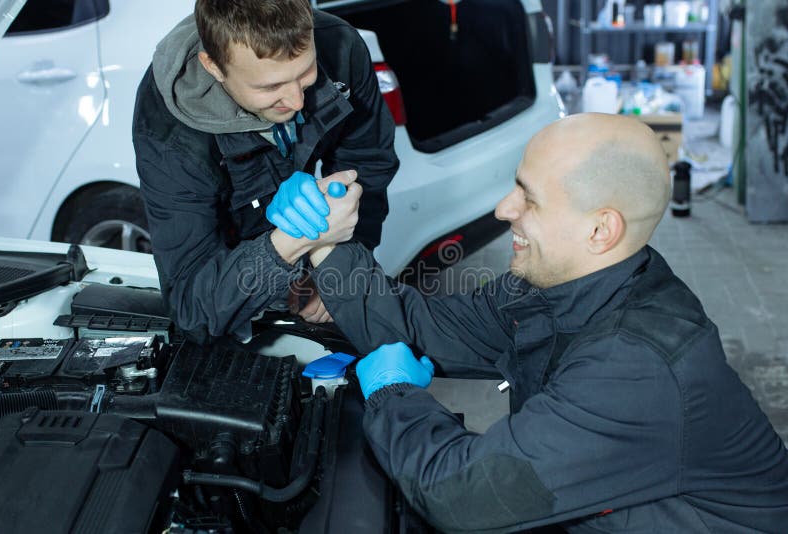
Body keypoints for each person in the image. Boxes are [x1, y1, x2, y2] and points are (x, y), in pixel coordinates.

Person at [304, 114, 788, 532]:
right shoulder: (553, 287)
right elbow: (423, 327)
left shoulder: (636, 366)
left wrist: (394, 396)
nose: (504, 209)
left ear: (600, 230)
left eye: (529, 198)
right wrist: (326, 246)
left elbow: (463, 495)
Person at [132, 0, 398, 343]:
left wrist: (333, 270)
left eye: (305, 72)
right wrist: (293, 244)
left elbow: (368, 161)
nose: (297, 101)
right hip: (231, 290)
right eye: (270, 87)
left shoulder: (340, 47)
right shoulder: (170, 133)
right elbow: (191, 308)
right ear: (214, 67)